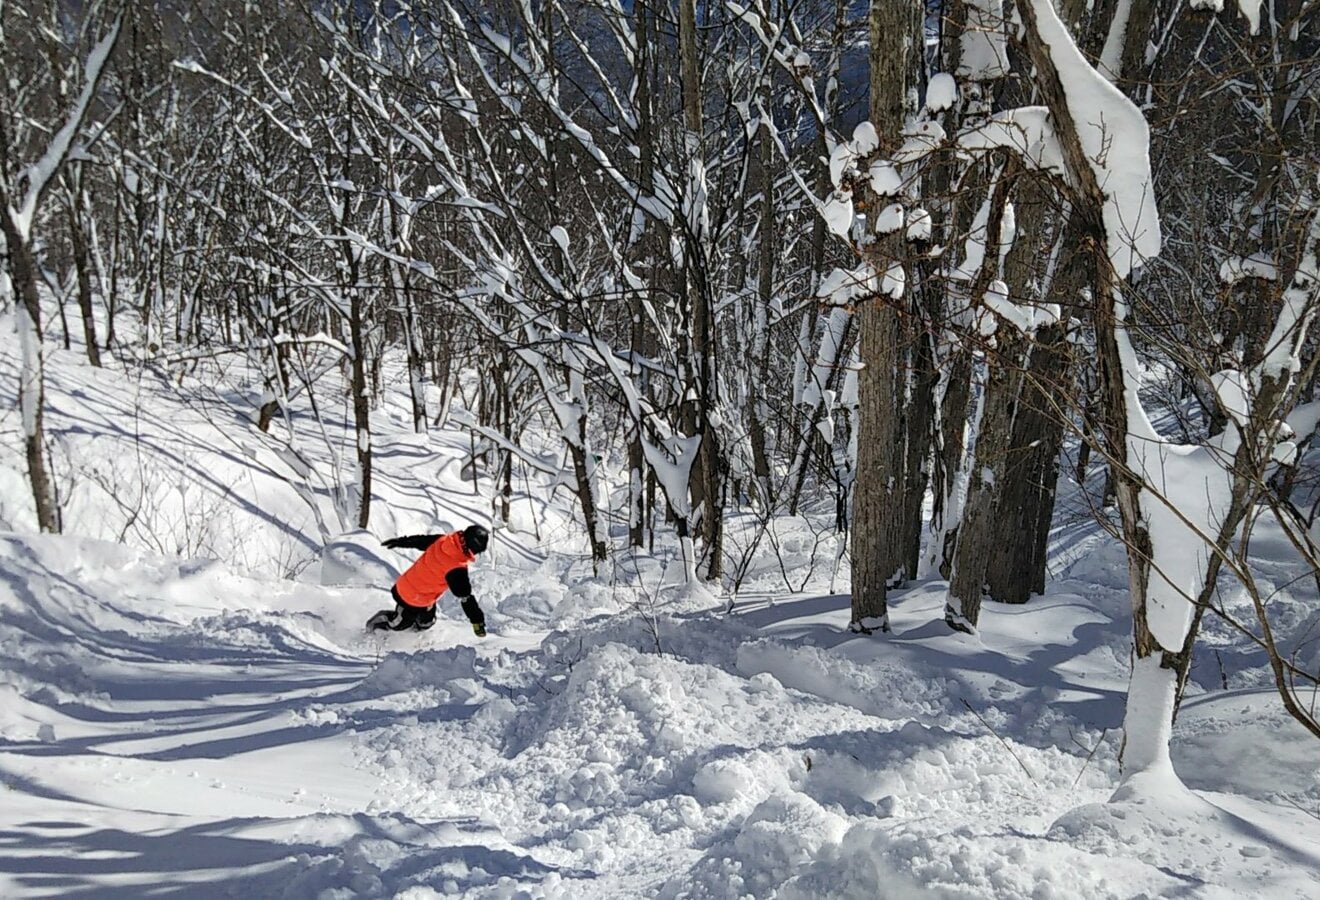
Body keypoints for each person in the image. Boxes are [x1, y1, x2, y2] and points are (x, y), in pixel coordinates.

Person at [367, 524, 490, 636]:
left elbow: (420, 541)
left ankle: (407, 639)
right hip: (409, 594)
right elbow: (466, 598)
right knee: (398, 624)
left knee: (426, 623)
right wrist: (477, 622)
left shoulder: (444, 540)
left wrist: (401, 541)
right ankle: (372, 628)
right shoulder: (456, 567)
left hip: (426, 598)